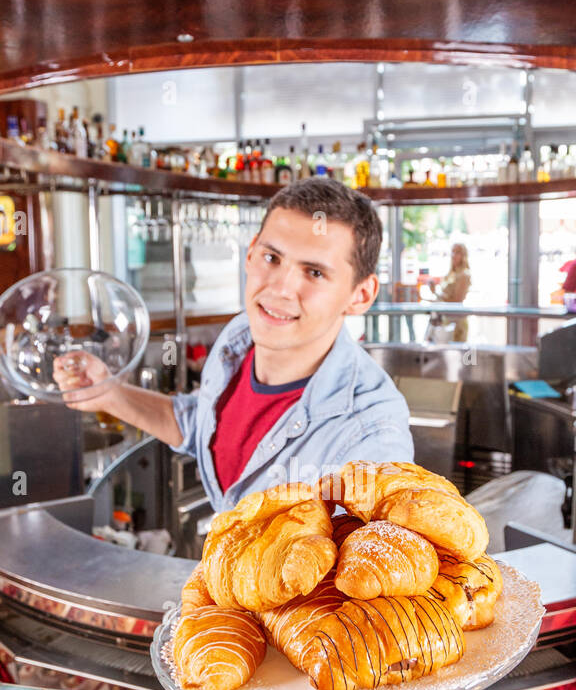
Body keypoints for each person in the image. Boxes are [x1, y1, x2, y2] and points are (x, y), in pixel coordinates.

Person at [54, 178, 413, 512]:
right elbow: (204, 425)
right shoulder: (239, 338)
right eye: (272, 258)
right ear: (251, 254)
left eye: (314, 272)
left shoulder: (373, 435)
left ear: (360, 295)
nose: (279, 289)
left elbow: (369, 571)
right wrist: (109, 394)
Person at [428, 241, 471, 342]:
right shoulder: (451, 273)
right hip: (445, 319)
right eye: (452, 252)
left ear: (463, 255)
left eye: (457, 252)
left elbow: (457, 300)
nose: (454, 255)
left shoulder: (464, 275)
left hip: (457, 322)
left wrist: (436, 293)